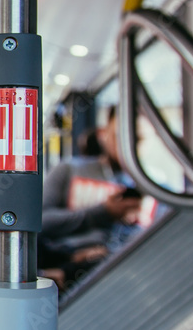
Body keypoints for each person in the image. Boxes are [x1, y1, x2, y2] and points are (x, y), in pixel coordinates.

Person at [40, 106, 145, 284]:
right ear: (103, 134)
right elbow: (40, 221)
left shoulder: (154, 189)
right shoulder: (68, 169)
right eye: (120, 136)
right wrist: (103, 212)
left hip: (120, 265)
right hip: (65, 258)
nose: (128, 145)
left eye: (137, 139)